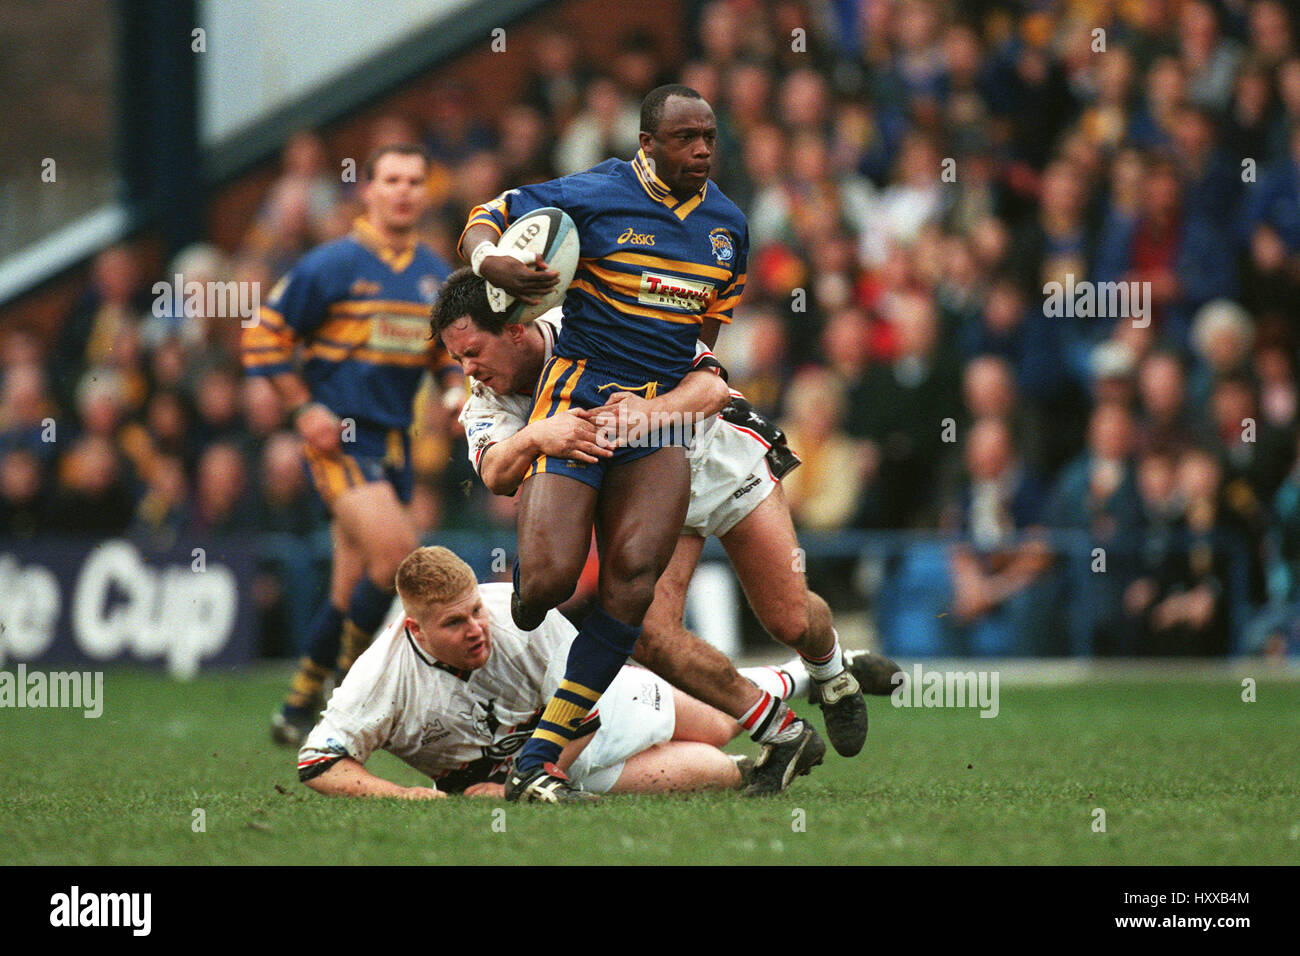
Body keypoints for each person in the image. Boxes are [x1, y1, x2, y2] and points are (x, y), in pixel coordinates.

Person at [459, 84, 865, 802]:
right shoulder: (595, 193)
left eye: (709, 136)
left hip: (670, 428)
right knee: (544, 589)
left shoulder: (728, 227)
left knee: (640, 596)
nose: (703, 149)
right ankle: (782, 705)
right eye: (686, 138)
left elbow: (703, 350)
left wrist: (662, 409)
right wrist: (491, 261)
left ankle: (541, 755)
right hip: (581, 405)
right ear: (647, 144)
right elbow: (485, 217)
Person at [432, 268, 894, 796]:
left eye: (473, 352)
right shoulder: (488, 397)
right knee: (648, 634)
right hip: (648, 492)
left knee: (788, 619)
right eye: (457, 359)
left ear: (515, 328)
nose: (468, 370)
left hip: (721, 461)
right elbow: (495, 472)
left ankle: (831, 670)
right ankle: (779, 728)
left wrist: (645, 416)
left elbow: (711, 388)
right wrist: (540, 433)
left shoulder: (599, 316)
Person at [298, 546, 822, 799]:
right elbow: (318, 763)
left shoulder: (519, 615)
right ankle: (763, 747)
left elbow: (584, 708)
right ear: (415, 629)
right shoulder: (380, 677)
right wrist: (410, 800)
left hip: (583, 725)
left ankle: (811, 674)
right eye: (454, 623)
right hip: (564, 773)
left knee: (718, 721)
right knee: (718, 772)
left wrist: (519, 784)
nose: (476, 627)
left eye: (475, 610)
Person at [242, 143, 456, 745]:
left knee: (347, 585)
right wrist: (303, 406)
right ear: (367, 190)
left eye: (415, 179)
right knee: (396, 560)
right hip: (339, 441)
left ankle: (297, 703)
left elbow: (446, 353)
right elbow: (263, 334)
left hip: (394, 445)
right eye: (392, 179)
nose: (405, 190)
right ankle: (349, 686)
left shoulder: (436, 274)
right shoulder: (332, 264)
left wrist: (454, 393)